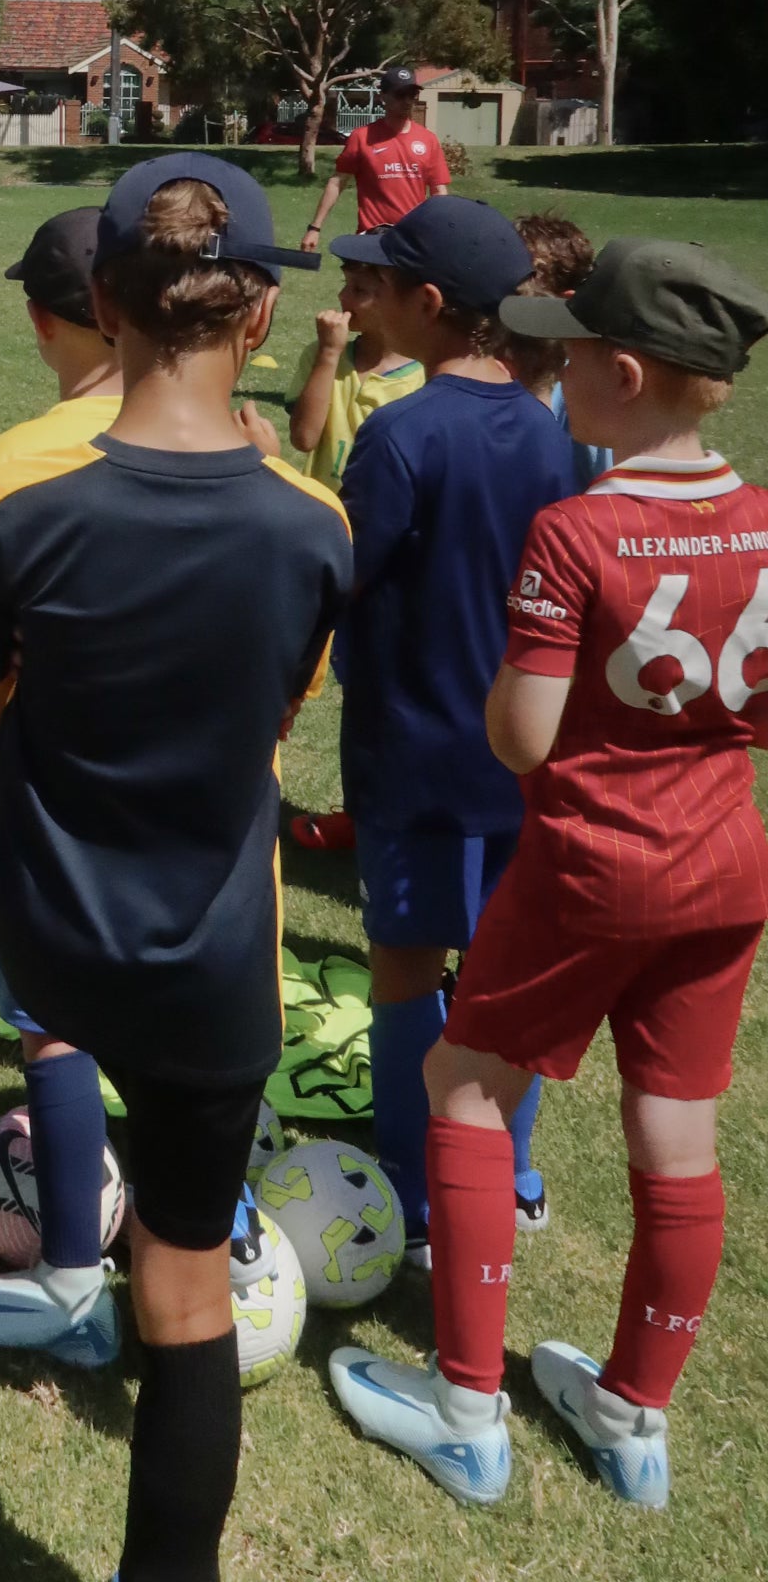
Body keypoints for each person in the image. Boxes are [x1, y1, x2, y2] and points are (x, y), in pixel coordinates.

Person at [0, 158, 350, 1582]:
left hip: (55, 932)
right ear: (257, 316)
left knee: (62, 1057)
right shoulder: (318, 523)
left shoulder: (17, 488)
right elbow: (274, 721)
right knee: (186, 1292)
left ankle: (62, 1240)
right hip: (208, 960)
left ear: (103, 304)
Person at [332, 238, 768, 1510]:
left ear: (621, 372)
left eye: (567, 348)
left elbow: (521, 735)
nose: (549, 362)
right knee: (678, 1136)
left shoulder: (580, 533)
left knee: (462, 1087)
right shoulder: (760, 522)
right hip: (724, 865)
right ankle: (636, 1420)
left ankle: (467, 1408)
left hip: (587, 863)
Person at [331, 197, 575, 1262]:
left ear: (429, 307)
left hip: (411, 759)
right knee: (499, 982)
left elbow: (342, 577)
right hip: (525, 758)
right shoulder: (556, 435)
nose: (365, 296)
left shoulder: (398, 434)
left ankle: (406, 1183)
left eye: (380, 284)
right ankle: (512, 1175)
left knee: (404, 969)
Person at [0, 207, 125, 1363]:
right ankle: (222, 1238)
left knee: (54, 1024)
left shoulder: (18, 459)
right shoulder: (247, 445)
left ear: (46, 319)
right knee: (187, 1031)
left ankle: (72, 1287)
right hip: (208, 811)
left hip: (58, 796)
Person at [284, 260, 423, 854]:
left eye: (363, 289)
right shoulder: (332, 358)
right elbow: (306, 437)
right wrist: (325, 356)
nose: (345, 298)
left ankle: (388, 814)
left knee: (385, 690)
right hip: (326, 545)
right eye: (347, 284)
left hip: (388, 561)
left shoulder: (424, 379)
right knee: (344, 687)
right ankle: (361, 812)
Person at [501, 211, 614, 489]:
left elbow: (603, 486)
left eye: (524, 283)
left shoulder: (584, 390)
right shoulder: (490, 360)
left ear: (566, 301)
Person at [299, 66, 449, 256]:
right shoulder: (362, 137)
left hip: (411, 239)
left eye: (412, 95)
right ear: (383, 96)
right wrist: (315, 228)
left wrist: (443, 232)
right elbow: (337, 182)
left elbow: (439, 192)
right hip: (371, 239)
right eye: (400, 94)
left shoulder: (428, 140)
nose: (407, 101)